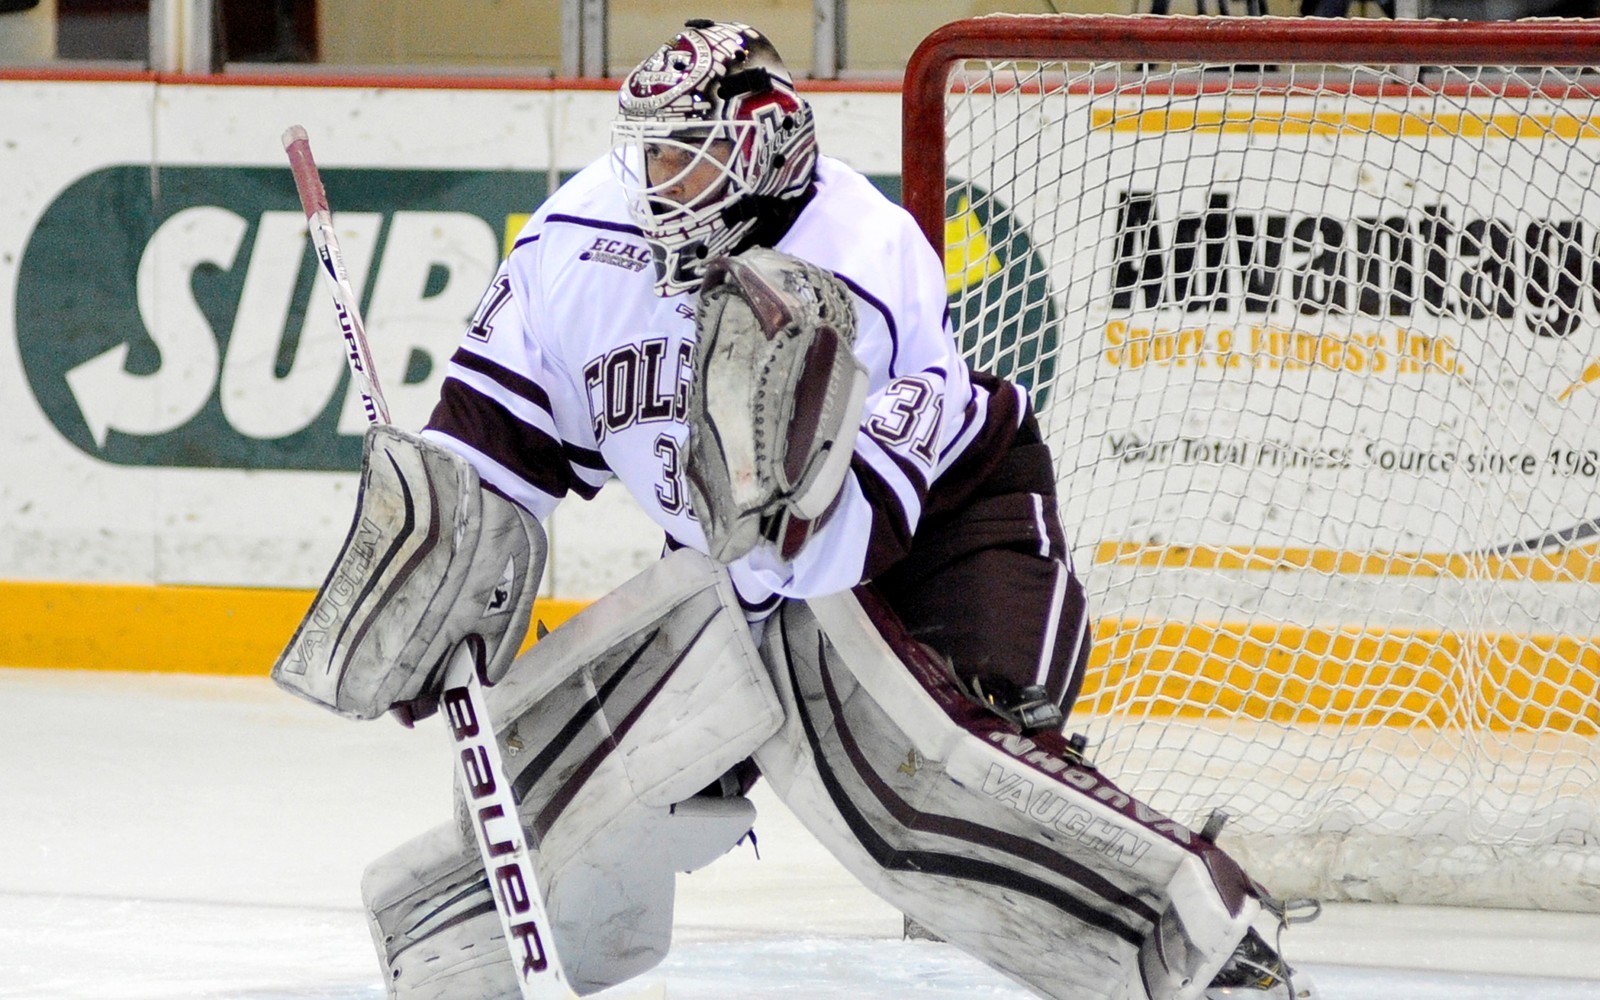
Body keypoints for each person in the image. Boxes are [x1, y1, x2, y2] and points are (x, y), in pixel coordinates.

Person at [276, 19, 1315, 1000]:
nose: (657, 184)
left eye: (687, 159)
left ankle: (1201, 937)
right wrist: (444, 550)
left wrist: (741, 666)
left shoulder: (861, 253)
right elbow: (492, 443)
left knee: (927, 790)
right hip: (733, 564)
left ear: (763, 151)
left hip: (935, 534)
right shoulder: (576, 242)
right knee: (565, 766)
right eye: (649, 155)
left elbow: (826, 549)